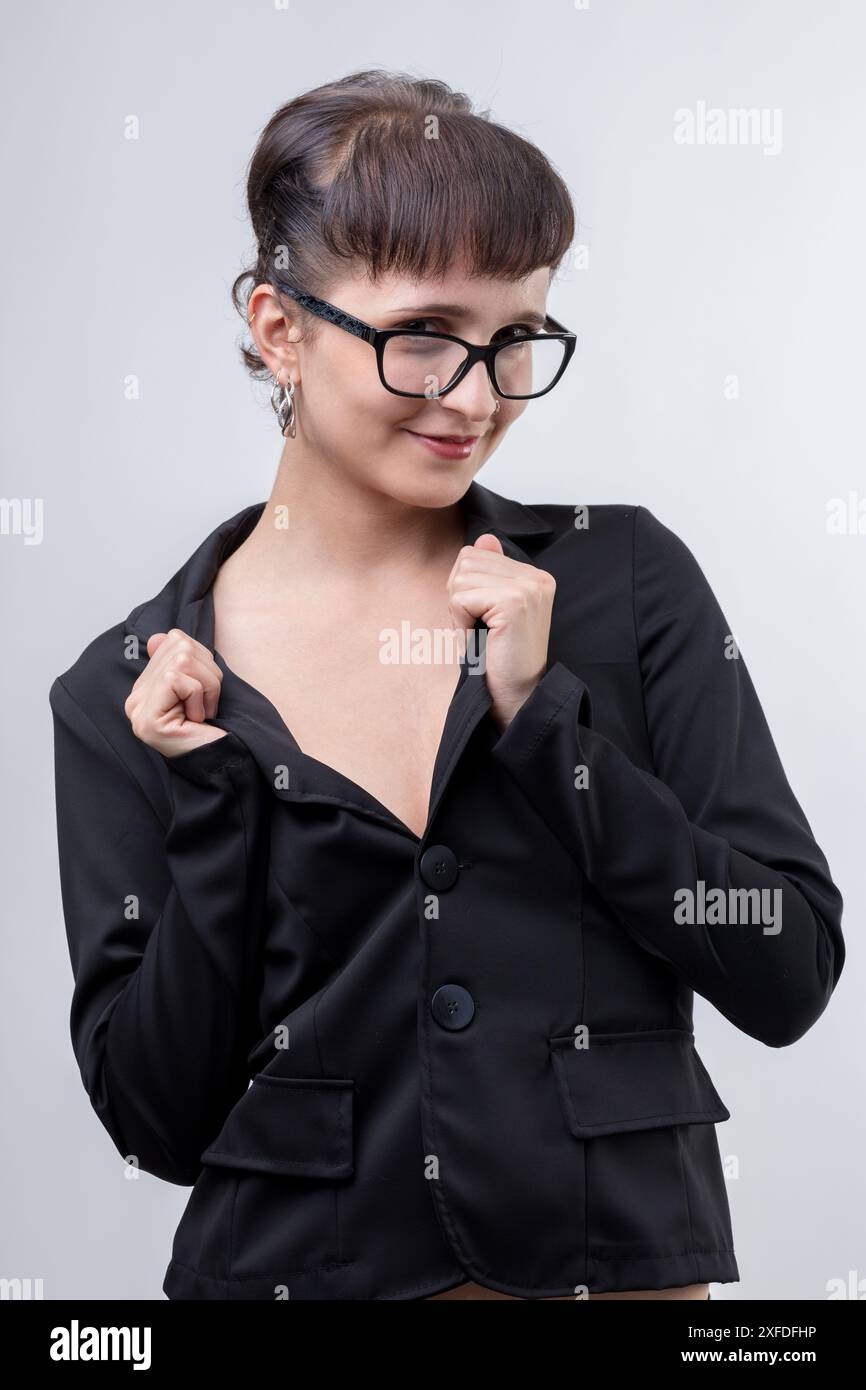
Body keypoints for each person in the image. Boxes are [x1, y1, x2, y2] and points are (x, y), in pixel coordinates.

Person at [49, 70, 844, 1302]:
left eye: (514, 339)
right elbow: (155, 1120)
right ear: (278, 326)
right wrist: (215, 808)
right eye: (421, 337)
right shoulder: (130, 682)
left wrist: (548, 731)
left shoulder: (622, 580)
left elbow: (784, 967)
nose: (474, 398)